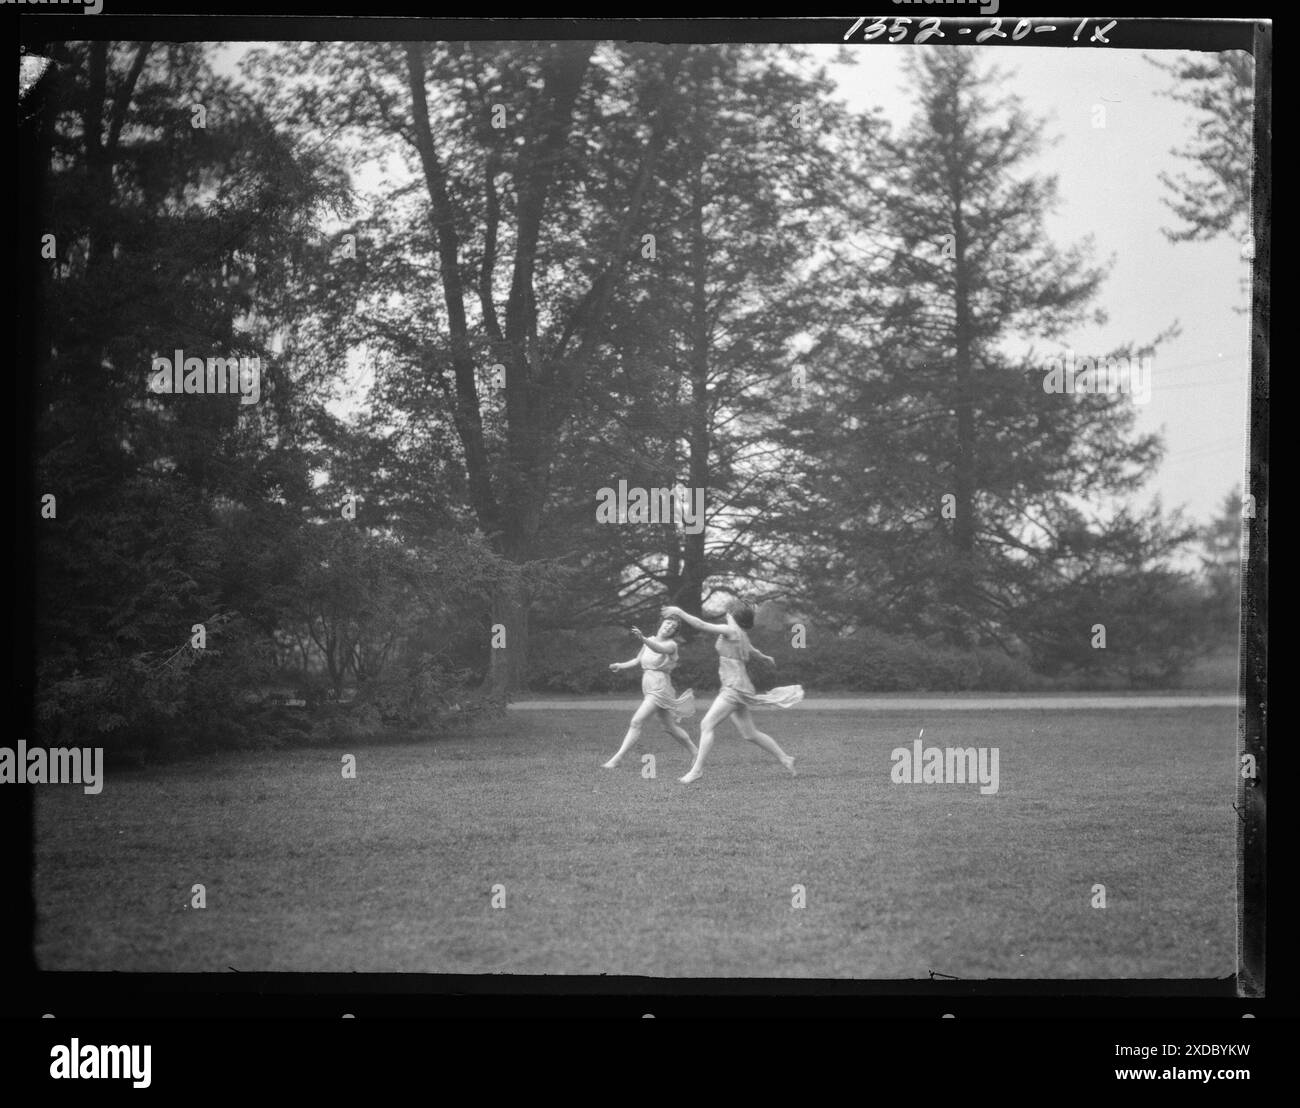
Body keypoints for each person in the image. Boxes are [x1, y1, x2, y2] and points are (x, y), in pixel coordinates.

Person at [660, 602, 802, 784]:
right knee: (749, 734)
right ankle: (785, 758)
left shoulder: (730, 630)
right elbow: (752, 650)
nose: (726, 614)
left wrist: (680, 611)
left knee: (706, 725)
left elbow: (701, 625)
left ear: (733, 615)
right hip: (738, 686)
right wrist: (764, 657)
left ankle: (696, 770)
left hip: (733, 688)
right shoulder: (740, 634)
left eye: (728, 612)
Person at [602, 617, 698, 769]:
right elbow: (637, 660)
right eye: (667, 623)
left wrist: (643, 638)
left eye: (673, 627)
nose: (669, 627)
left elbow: (658, 649)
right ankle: (696, 752)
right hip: (649, 685)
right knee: (669, 727)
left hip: (659, 687)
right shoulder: (650, 640)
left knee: (636, 721)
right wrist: (620, 665)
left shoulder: (671, 645)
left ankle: (617, 759)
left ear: (674, 632)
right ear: (661, 624)